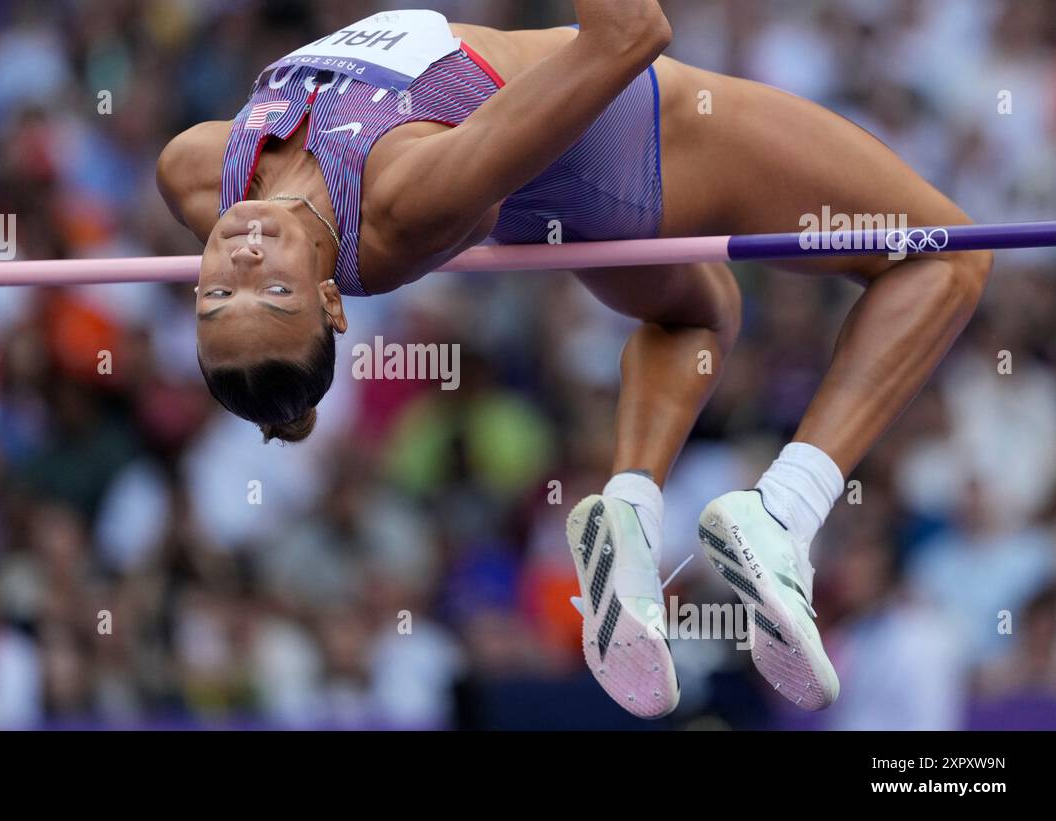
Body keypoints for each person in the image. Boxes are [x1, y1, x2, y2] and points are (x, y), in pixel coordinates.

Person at [156, 2, 992, 718]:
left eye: (215, 297)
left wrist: (283, 402)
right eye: (275, 298)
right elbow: (632, 31)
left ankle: (628, 518)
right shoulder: (397, 204)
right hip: (627, 138)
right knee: (944, 252)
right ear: (332, 302)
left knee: (700, 314)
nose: (241, 269)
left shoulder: (196, 174)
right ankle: (783, 513)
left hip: (539, 177)